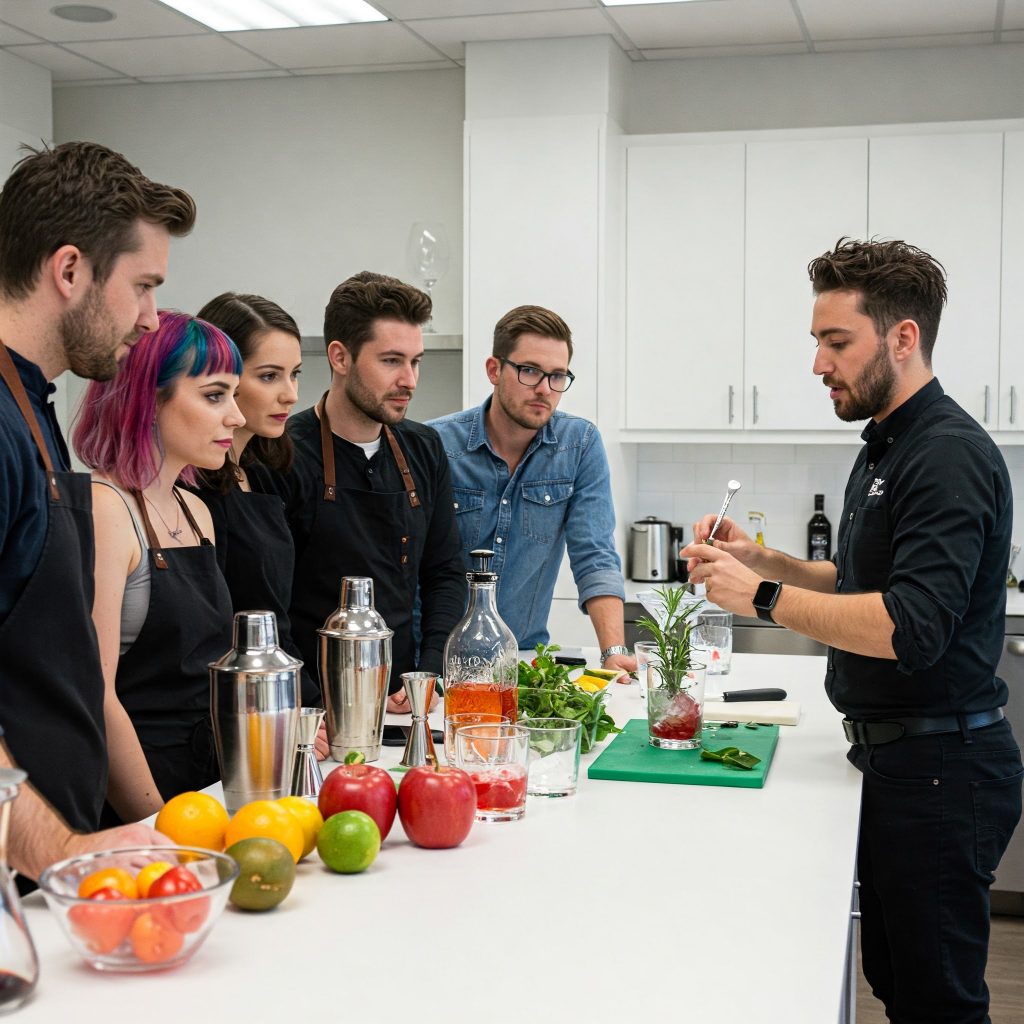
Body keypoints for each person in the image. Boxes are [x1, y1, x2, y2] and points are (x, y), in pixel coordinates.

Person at [682, 237, 1022, 1024]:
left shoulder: (946, 455)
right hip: (905, 762)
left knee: (937, 1003)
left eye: (836, 342)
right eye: (817, 342)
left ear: (903, 338)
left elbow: (909, 626)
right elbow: (862, 585)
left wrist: (761, 596)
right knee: (900, 985)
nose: (818, 364)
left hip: (944, 770)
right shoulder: (889, 443)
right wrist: (762, 558)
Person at [0, 141, 194, 879]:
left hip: (57, 867)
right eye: (142, 287)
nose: (151, 319)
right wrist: (63, 852)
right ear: (70, 269)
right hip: (27, 875)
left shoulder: (33, 407)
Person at [258, 271, 466, 712]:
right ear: (340, 357)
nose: (410, 379)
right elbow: (266, 607)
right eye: (392, 361)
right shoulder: (281, 454)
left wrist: (428, 675)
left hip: (406, 701)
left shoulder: (423, 448)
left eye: (416, 361)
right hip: (311, 707)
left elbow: (445, 572)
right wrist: (312, 704)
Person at [74, 310, 244, 820]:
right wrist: (157, 826)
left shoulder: (197, 512)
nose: (236, 416)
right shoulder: (105, 508)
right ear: (147, 401)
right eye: (215, 395)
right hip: (139, 799)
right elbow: (95, 696)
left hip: (208, 787)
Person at [428, 305, 634, 674]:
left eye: (557, 376)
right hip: (436, 661)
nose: (544, 389)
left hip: (522, 661)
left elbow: (595, 554)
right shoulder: (436, 444)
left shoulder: (579, 444)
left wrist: (613, 650)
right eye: (529, 371)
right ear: (494, 369)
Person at [192, 292, 329, 757]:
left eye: (294, 375)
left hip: (279, 704)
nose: (290, 394)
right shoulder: (191, 492)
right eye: (269, 376)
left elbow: (278, 618)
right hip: (228, 722)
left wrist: (309, 705)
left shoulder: (267, 471)